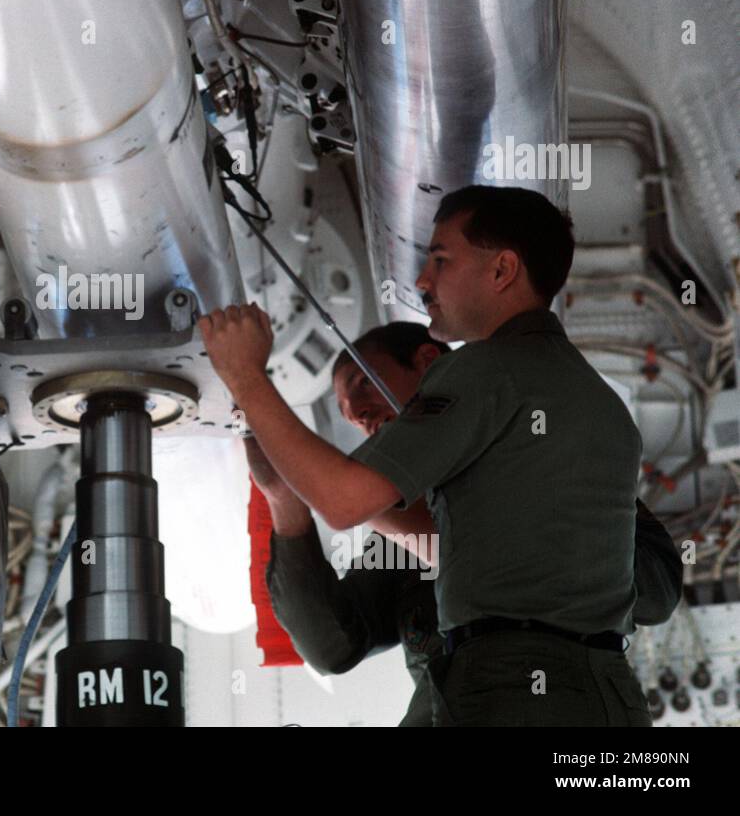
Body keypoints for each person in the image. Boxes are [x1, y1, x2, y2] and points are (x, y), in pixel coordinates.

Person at [202, 185, 658, 725]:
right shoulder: (600, 406)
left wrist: (246, 376)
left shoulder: (487, 370)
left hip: (509, 692)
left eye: (440, 260)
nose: (422, 281)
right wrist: (286, 493)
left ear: (502, 270)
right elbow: (335, 642)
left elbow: (343, 500)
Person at [255, 320, 683, 726]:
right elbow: (333, 645)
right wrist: (284, 502)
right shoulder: (395, 529)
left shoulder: (544, 455)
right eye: (350, 417)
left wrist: (373, 506)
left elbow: (657, 593)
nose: (362, 416)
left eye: (365, 384)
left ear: (428, 361)